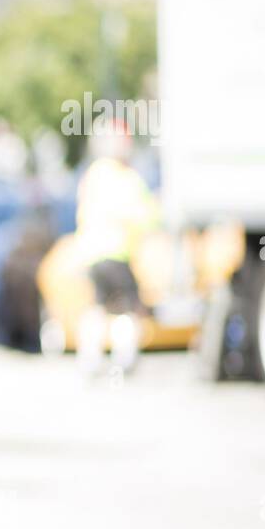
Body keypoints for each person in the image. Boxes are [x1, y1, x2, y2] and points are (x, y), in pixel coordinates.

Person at [73, 118, 160, 378]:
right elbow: (145, 215)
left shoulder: (93, 173)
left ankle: (89, 358)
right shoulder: (126, 177)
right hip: (117, 252)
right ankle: (124, 359)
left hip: (92, 253)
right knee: (125, 308)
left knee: (97, 307)